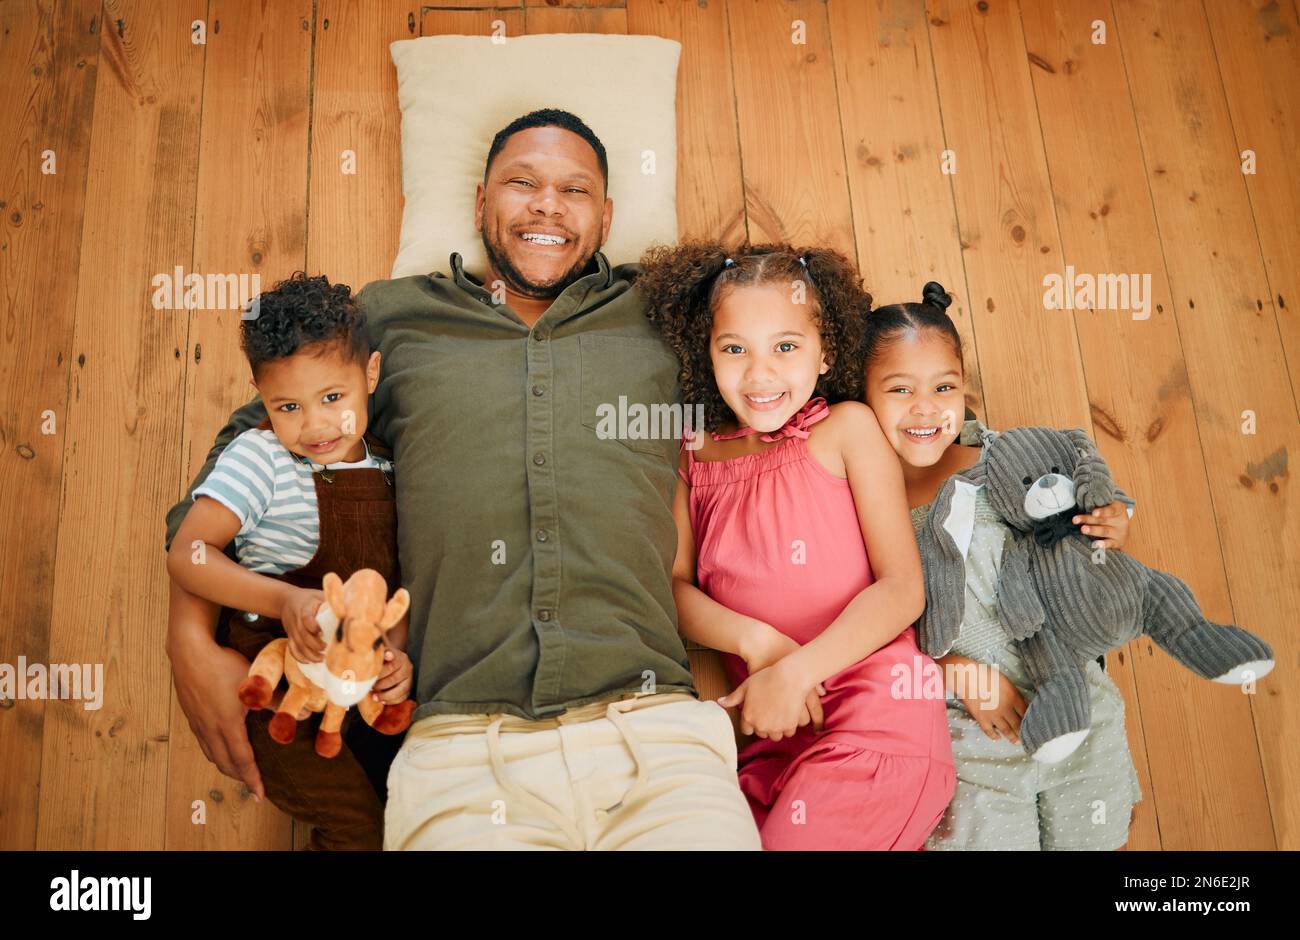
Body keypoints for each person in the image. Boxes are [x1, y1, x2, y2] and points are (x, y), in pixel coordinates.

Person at [164, 108, 762, 850]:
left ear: (605, 218)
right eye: (523, 182)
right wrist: (187, 635)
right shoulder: (390, 320)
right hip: (459, 750)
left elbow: (794, 372)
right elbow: (247, 449)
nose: (548, 203)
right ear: (480, 202)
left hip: (659, 738)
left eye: (574, 190)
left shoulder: (663, 315)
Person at [638, 241, 956, 849]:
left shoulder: (846, 431)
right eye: (735, 349)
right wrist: (758, 645)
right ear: (704, 353)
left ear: (825, 349)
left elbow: (902, 589)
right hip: (771, 737)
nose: (760, 374)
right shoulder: (691, 456)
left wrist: (799, 671)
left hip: (880, 726)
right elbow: (673, 593)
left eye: (786, 347)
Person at [863, 281, 1142, 850]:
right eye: (899, 389)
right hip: (964, 730)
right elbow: (863, 632)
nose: (925, 407)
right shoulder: (863, 499)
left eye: (944, 386)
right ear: (859, 393)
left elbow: (1084, 526)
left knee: (1100, 837)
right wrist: (955, 673)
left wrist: (1111, 523)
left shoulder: (1009, 463)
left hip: (1072, 698)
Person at [166, 273, 412, 850]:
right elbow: (190, 552)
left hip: (354, 689)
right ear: (259, 394)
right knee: (357, 830)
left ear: (370, 375)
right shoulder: (260, 457)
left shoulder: (389, 466)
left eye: (333, 398)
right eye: (288, 406)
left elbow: (391, 587)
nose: (316, 425)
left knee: (399, 814)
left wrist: (394, 655)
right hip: (272, 690)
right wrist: (286, 599)